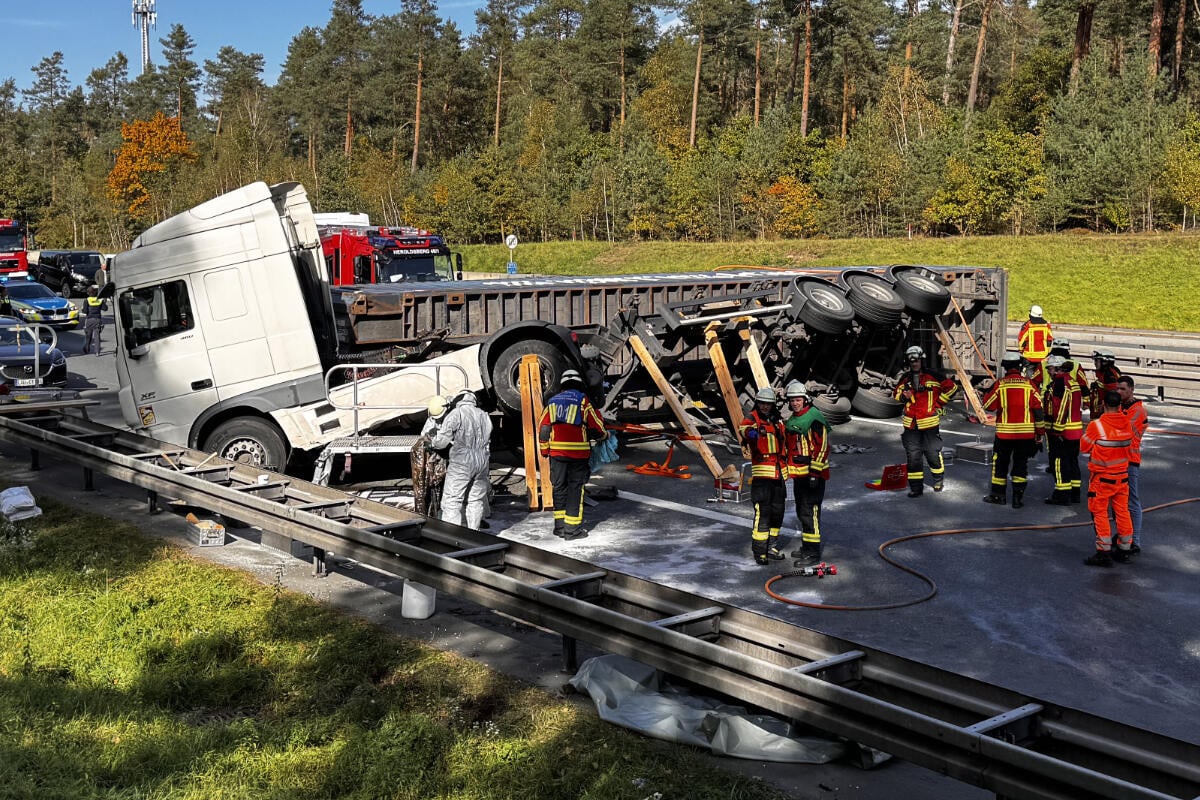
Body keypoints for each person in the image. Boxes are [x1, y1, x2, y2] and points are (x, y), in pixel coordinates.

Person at [538, 369, 608, 539]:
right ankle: (572, 530)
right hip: (578, 455)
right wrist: (603, 436)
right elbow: (597, 425)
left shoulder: (552, 402)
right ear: (579, 384)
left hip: (557, 454)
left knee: (559, 487)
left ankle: (560, 527)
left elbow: (544, 427)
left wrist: (544, 450)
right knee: (575, 490)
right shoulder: (583, 401)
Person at [981, 351, 1045, 508]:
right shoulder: (1029, 384)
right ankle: (1018, 498)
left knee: (1000, 465)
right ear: (1019, 366)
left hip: (1004, 435)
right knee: (1020, 465)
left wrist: (986, 394)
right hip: (1025, 435)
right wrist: (1040, 434)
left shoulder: (1000, 384)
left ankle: (998, 496)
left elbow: (988, 406)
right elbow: (1038, 410)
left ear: (1006, 367)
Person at [892, 345, 958, 497]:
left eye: (917, 361)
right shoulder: (905, 378)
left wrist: (938, 404)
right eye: (911, 361)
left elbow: (953, 388)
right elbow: (895, 395)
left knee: (932, 454)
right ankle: (916, 488)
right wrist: (904, 397)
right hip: (911, 425)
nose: (914, 364)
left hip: (929, 423)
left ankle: (938, 479)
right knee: (913, 457)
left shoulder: (934, 376)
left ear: (922, 360)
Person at [1080, 390, 1135, 567]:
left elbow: (1084, 447)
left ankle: (1103, 552)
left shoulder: (1097, 426)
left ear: (1104, 405)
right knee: (1122, 512)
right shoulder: (1127, 423)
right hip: (1123, 477)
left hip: (1102, 478)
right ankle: (1125, 548)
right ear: (1120, 406)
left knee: (1100, 513)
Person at [429, 388, 493, 531]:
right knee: (476, 500)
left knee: (452, 500)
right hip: (482, 461)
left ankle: (452, 536)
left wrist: (431, 443)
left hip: (462, 462)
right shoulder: (484, 415)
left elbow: (442, 441)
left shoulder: (456, 414)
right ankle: (473, 533)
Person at [783, 381, 829, 566]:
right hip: (799, 475)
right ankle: (807, 547)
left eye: (798, 400)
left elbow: (822, 446)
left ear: (805, 399)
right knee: (803, 512)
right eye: (792, 400)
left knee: (811, 513)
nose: (795, 403)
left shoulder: (814, 418)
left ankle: (814, 554)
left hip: (812, 475)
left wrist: (814, 473)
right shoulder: (795, 418)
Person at [739, 386, 787, 565]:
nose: (765, 406)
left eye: (768, 404)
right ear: (757, 403)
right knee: (763, 513)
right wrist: (752, 433)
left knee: (778, 512)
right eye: (762, 403)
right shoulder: (753, 418)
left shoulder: (777, 420)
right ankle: (760, 551)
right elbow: (744, 429)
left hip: (779, 473)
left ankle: (772, 547)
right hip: (763, 476)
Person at [1042, 356, 1084, 505]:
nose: (1048, 372)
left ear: (1058, 368)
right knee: (1073, 461)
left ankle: (1061, 494)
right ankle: (1075, 493)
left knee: (1059, 463)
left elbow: (1060, 408)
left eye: (1050, 368)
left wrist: (1057, 431)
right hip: (1076, 430)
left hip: (1063, 431)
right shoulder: (1073, 382)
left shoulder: (1060, 383)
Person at [1117, 375, 1148, 554]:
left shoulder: (1138, 410)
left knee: (1132, 501)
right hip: (1117, 460)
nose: (1119, 392)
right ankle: (1124, 535)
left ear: (1131, 390)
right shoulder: (1121, 406)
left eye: (1123, 389)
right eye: (1117, 389)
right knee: (1119, 502)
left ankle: (1135, 540)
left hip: (1130, 461)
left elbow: (1122, 430)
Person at [411, 395, 449, 516]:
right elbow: (425, 434)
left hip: (449, 454)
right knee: (427, 487)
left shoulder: (452, 418)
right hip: (437, 454)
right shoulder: (432, 420)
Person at [1018, 305, 1053, 372]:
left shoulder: (1027, 325)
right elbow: (1050, 341)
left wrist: (1021, 350)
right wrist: (1047, 352)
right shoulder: (1046, 325)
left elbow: (1022, 340)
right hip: (1043, 357)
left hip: (1029, 357)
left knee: (1030, 379)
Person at [1088, 351, 1121, 419]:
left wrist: (1103, 407)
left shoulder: (1109, 375)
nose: (1095, 363)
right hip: (1100, 413)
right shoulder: (1107, 373)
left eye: (1097, 361)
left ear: (1105, 362)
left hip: (1103, 414)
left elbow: (1112, 395)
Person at [82, 285, 107, 355]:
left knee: (88, 336)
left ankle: (87, 349)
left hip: (89, 319)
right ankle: (97, 352)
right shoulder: (99, 300)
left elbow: (85, 311)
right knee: (97, 336)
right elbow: (105, 309)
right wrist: (104, 302)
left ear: (89, 293)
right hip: (97, 319)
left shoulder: (87, 300)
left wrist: (82, 309)